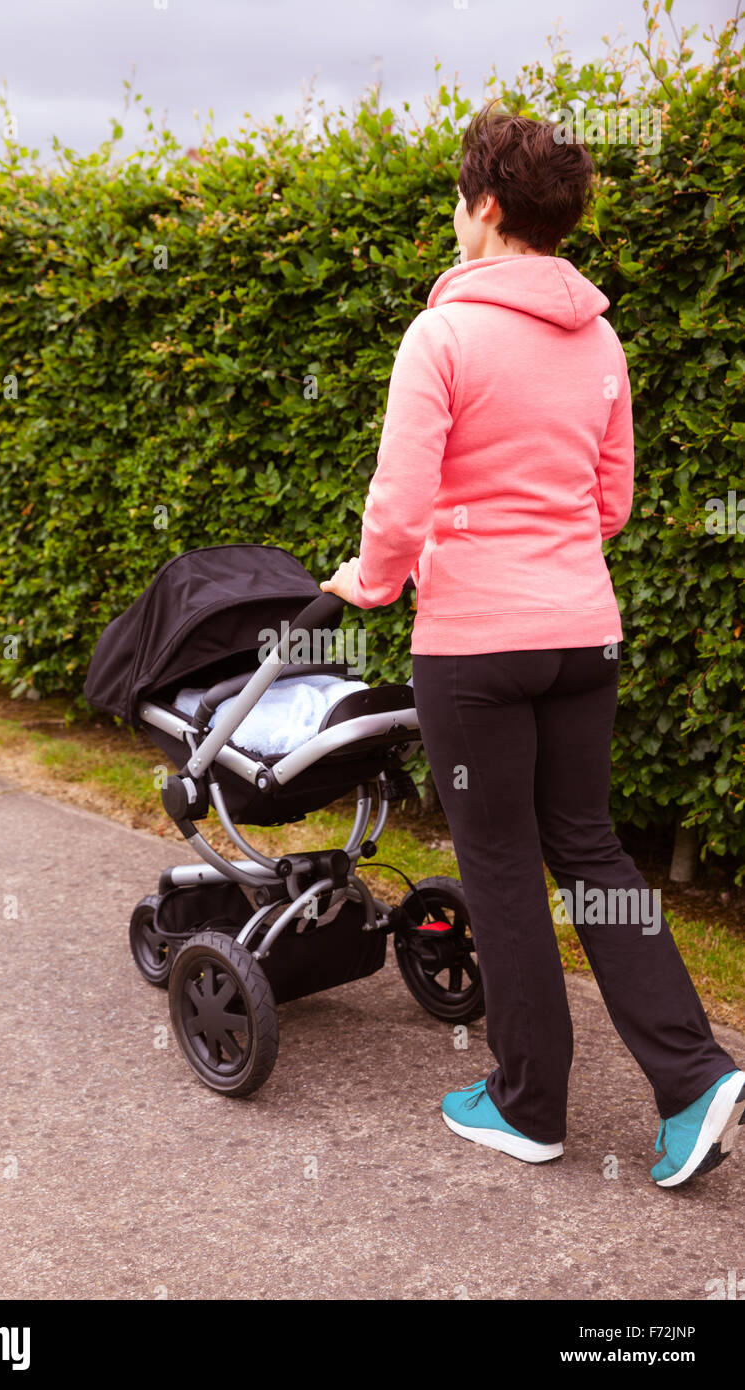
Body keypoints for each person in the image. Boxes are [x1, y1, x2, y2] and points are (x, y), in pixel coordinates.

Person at [320, 101, 744, 1188]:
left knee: (500, 863)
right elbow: (608, 505)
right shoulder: (598, 338)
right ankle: (691, 1075)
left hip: (476, 647)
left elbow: (399, 503)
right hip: (579, 632)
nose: (454, 218)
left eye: (459, 201)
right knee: (589, 851)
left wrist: (366, 585)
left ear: (488, 207)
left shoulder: (442, 334)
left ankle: (527, 1102)